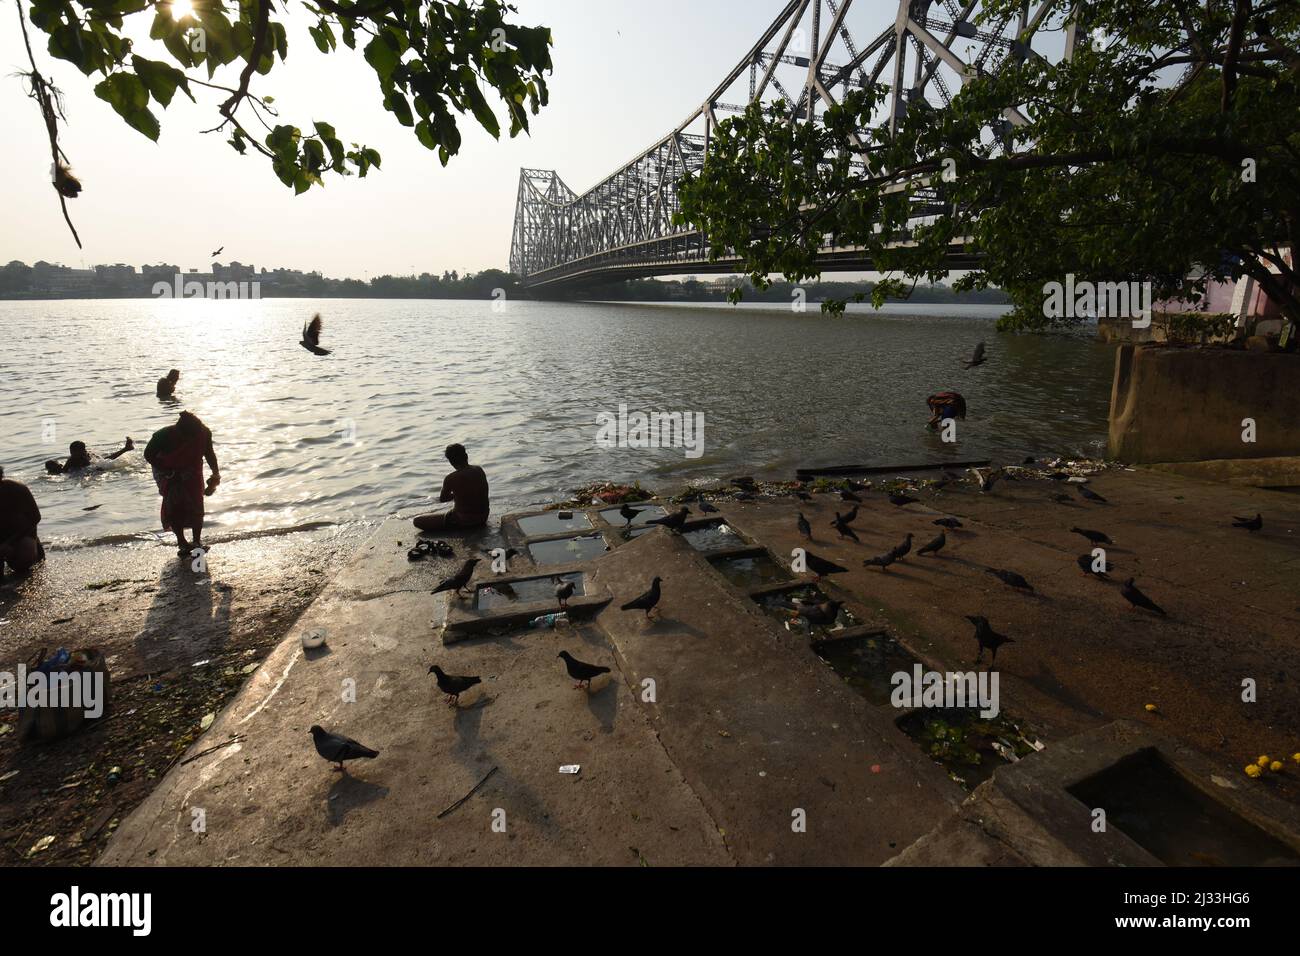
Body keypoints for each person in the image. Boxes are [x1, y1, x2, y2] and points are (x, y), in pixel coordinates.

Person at [143, 411, 220, 557]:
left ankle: (197, 541)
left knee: (197, 502)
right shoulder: (162, 435)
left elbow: (209, 453)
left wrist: (216, 474)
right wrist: (168, 471)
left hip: (192, 469)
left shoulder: (204, 433)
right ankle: (182, 542)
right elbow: (148, 455)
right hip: (166, 469)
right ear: (178, 430)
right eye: (187, 437)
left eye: (193, 437)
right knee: (174, 505)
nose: (190, 440)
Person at [413, 443, 489, 532]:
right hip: (483, 517)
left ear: (451, 461)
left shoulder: (451, 478)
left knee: (417, 520)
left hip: (463, 520)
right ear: (466, 456)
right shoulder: (479, 470)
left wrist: (457, 495)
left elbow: (443, 499)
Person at [0, 466, 44, 578]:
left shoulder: (17, 489)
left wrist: (9, 543)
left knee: (24, 559)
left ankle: (34, 551)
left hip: (20, 537)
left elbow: (36, 518)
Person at [44, 437, 134, 474]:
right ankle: (126, 448)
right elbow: (105, 460)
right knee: (106, 460)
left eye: (72, 451)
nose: (71, 454)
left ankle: (126, 448)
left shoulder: (72, 459)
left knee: (105, 462)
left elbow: (64, 471)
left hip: (92, 470)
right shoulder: (85, 455)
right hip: (94, 468)